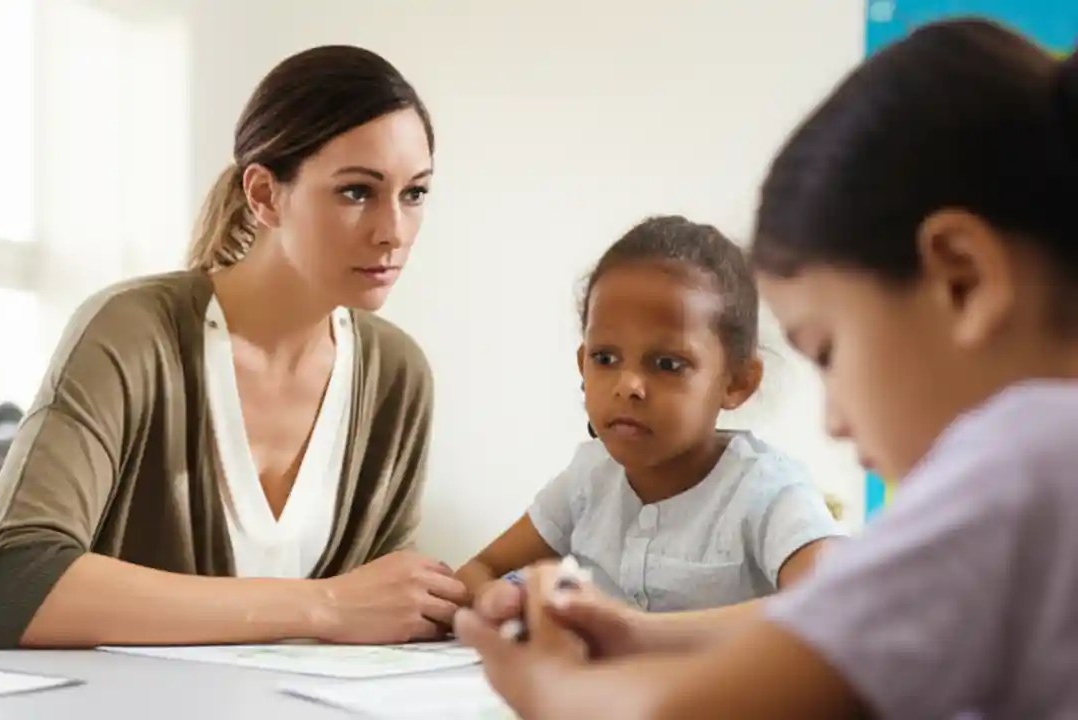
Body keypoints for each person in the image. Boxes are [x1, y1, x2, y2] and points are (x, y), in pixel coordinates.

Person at [455, 19, 1078, 719]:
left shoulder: (1030, 460)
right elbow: (835, 623)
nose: (834, 420)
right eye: (605, 357)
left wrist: (544, 685)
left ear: (962, 281)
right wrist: (631, 632)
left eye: (828, 351)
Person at [0, 44, 469, 650]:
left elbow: (385, 613)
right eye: (357, 192)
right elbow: (11, 587)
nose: (393, 231)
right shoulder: (133, 333)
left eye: (415, 194)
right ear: (265, 195)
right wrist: (324, 605)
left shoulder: (397, 375)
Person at [455, 216, 841, 647]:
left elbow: (833, 605)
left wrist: (635, 632)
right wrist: (500, 600)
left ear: (736, 383)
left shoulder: (766, 491)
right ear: (582, 364)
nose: (627, 385)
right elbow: (479, 570)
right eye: (605, 358)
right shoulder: (587, 480)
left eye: (667, 365)